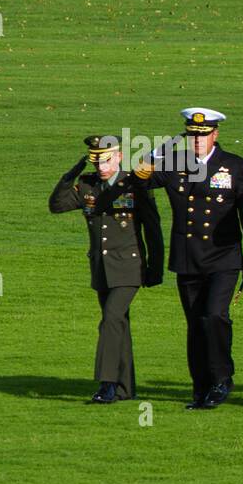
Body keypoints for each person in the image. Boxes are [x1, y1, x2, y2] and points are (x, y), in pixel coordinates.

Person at [128, 108, 243, 409]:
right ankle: (200, 387)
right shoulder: (175, 162)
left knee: (214, 315)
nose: (198, 140)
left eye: (203, 135)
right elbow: (139, 181)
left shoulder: (234, 166)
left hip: (224, 256)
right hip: (188, 257)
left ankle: (221, 379)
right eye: (192, 135)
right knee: (195, 323)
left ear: (215, 134)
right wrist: (152, 155)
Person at [48, 135, 163, 403]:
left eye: (106, 159)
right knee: (118, 324)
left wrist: (155, 269)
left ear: (120, 156)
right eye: (96, 160)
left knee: (111, 319)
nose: (101, 165)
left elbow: (153, 228)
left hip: (129, 267)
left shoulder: (134, 185)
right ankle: (125, 388)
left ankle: (107, 384)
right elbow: (56, 205)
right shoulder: (88, 184)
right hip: (101, 268)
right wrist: (74, 171)